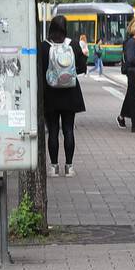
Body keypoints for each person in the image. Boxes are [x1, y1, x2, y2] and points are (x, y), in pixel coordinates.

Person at [39, 16, 88, 177]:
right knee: (68, 129)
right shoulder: (73, 45)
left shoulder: (44, 46)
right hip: (70, 93)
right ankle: (69, 167)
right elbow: (81, 67)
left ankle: (53, 167)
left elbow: (39, 71)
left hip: (50, 94)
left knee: (53, 130)